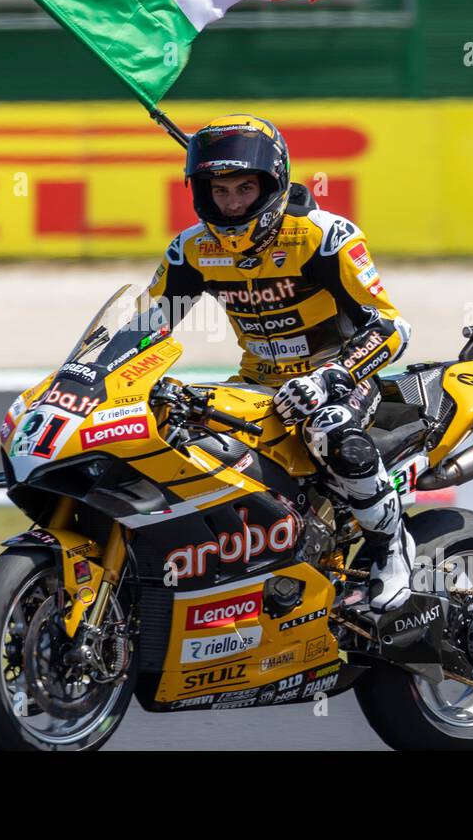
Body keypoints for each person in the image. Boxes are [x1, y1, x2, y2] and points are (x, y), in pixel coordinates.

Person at [146, 114, 426, 613]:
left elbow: (391, 326)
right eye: (220, 190)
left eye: (244, 189)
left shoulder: (324, 237)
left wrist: (331, 376)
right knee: (175, 425)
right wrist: (98, 373)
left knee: (330, 429)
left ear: (272, 183)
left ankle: (391, 553)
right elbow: (147, 323)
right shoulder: (192, 249)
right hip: (256, 381)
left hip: (341, 379)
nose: (231, 203)